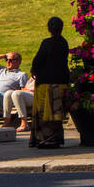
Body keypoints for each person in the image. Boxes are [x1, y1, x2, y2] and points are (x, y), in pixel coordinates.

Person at [29, 16, 69, 149]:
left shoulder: (46, 43)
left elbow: (37, 60)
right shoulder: (64, 43)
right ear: (61, 28)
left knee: (44, 113)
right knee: (55, 112)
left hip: (45, 82)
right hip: (61, 81)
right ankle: (56, 138)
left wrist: (34, 70)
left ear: (49, 29)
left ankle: (46, 139)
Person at [0, 52, 28, 122]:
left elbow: (23, 91)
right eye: (7, 60)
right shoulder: (1, 70)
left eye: (10, 60)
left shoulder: (21, 75)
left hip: (4, 99)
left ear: (18, 62)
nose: (8, 62)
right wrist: (4, 55)